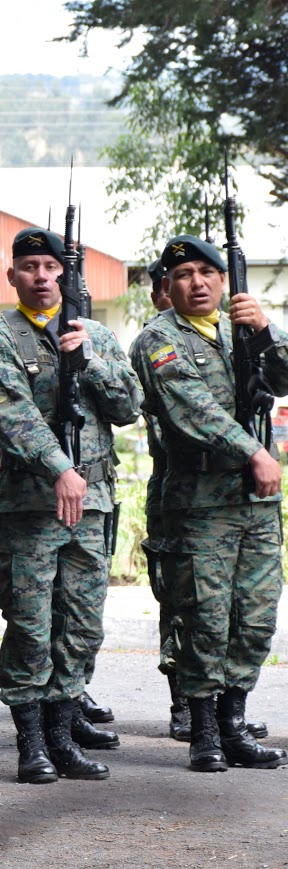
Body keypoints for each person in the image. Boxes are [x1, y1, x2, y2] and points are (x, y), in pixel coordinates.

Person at [0, 227, 141, 784]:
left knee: (81, 626)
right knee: (30, 625)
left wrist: (88, 359)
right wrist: (60, 468)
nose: (42, 276)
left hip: (91, 505)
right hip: (31, 507)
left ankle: (64, 738)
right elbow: (12, 419)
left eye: (51, 267)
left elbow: (127, 406)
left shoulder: (94, 333)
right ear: (13, 275)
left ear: (65, 275)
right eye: (31, 267)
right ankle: (32, 745)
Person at [130, 235, 286, 771]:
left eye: (207, 273)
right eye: (184, 274)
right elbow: (189, 408)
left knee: (255, 618)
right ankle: (203, 731)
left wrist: (265, 331)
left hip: (255, 504)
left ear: (223, 281)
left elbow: (284, 377)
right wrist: (253, 453)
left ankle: (234, 723)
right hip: (199, 503)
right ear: (167, 288)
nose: (197, 282)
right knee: (204, 618)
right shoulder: (157, 339)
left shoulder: (239, 331)